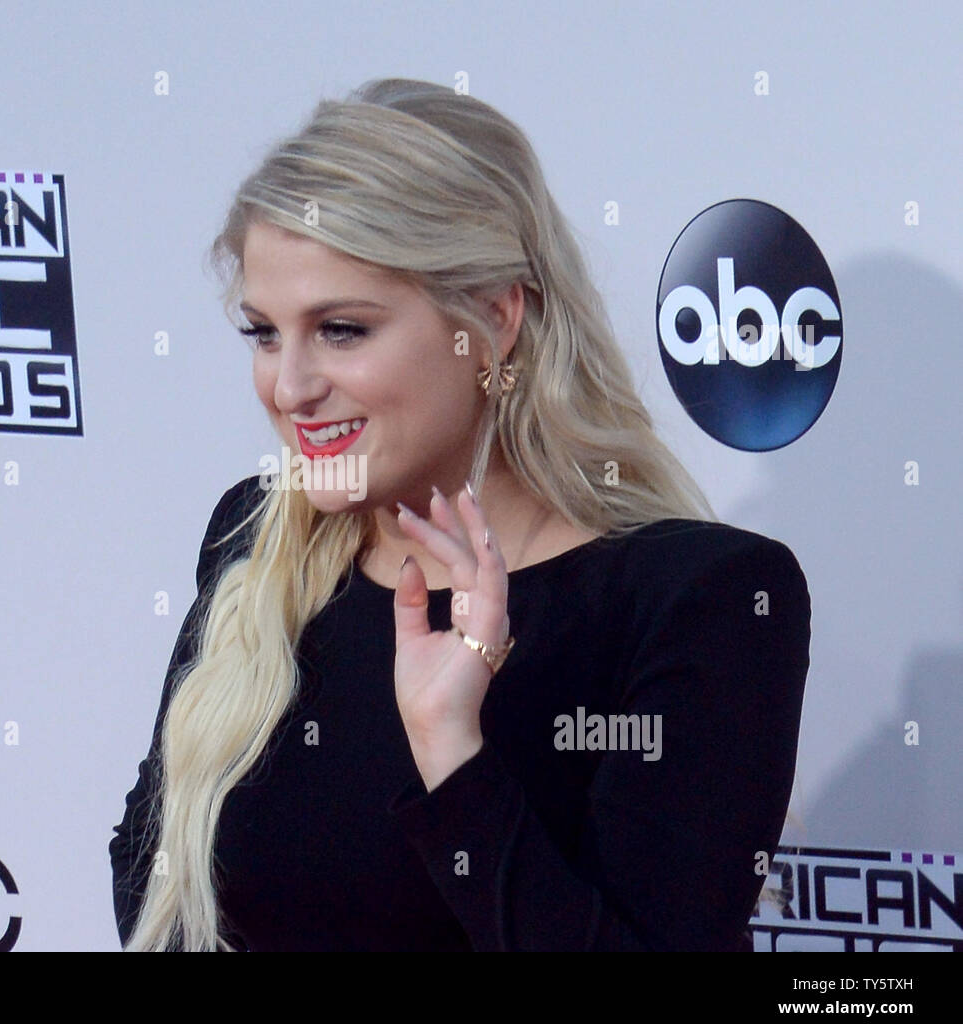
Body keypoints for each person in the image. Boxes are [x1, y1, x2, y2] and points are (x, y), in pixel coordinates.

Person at [109, 77, 811, 951]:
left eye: (342, 329)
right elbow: (156, 885)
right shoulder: (252, 541)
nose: (288, 388)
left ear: (491, 318)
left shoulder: (699, 601)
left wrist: (452, 754)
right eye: (263, 332)